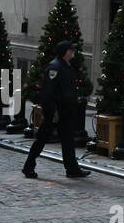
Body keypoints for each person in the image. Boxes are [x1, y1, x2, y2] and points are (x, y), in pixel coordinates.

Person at [22, 41, 90, 179]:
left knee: (68, 141)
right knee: (41, 139)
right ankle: (28, 166)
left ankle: (72, 169)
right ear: (65, 52)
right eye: (71, 50)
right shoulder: (55, 68)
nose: (73, 53)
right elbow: (48, 92)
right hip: (56, 112)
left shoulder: (66, 66)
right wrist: (52, 112)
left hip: (65, 111)